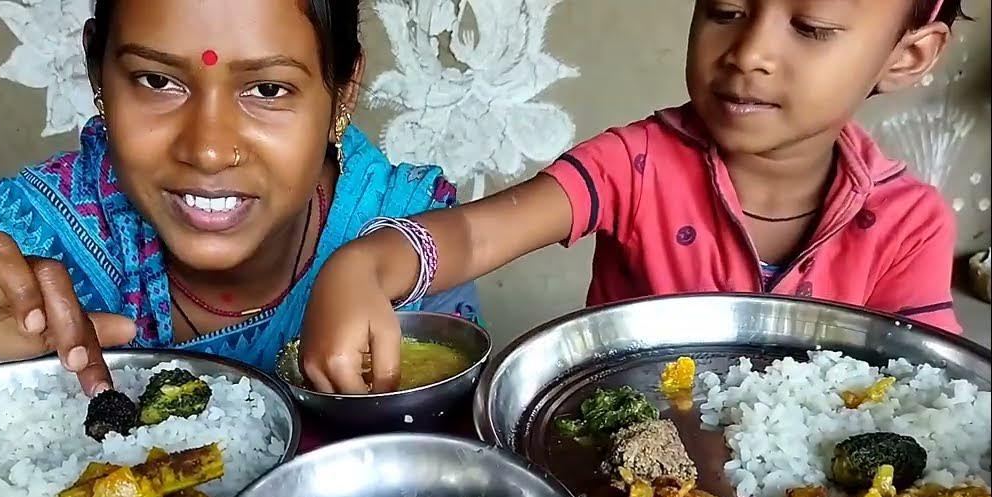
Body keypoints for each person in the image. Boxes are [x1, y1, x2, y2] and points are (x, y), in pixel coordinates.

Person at [0, 0, 478, 487]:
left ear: (341, 94)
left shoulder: (404, 239)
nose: (208, 149)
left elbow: (449, 494)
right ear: (95, 74)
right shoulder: (7, 251)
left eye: (268, 89)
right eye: (156, 81)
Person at [300, 0, 969, 395]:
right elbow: (476, 234)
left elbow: (936, 393)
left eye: (812, 25)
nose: (748, 52)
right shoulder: (637, 164)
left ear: (907, 56)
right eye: (725, 11)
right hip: (617, 475)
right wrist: (362, 265)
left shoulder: (909, 224)